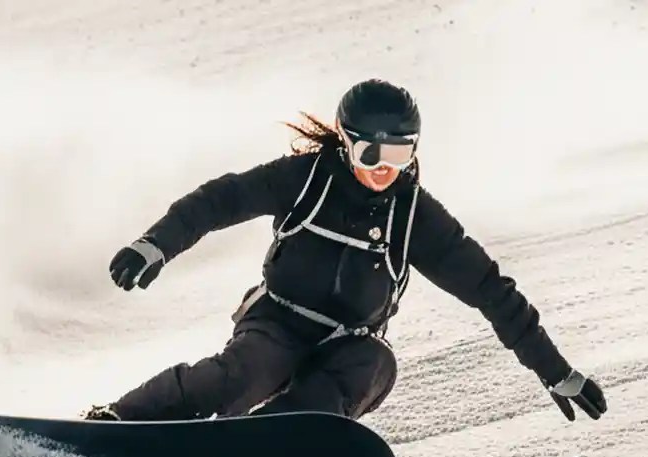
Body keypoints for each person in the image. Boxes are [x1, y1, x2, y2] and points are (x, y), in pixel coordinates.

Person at [84, 78, 606, 424]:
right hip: (279, 323)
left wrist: (553, 369)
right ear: (345, 141)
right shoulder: (306, 180)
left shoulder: (415, 217)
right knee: (240, 375)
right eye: (370, 152)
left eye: (400, 154)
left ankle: (272, 440)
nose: (384, 168)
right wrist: (156, 243)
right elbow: (222, 199)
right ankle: (120, 421)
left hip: (349, 344)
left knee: (374, 366)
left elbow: (492, 291)